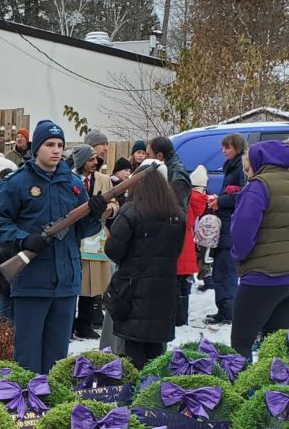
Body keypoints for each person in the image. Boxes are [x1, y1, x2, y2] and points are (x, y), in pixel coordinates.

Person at [0, 119, 106, 372]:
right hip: (31, 280)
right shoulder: (17, 182)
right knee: (26, 357)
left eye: (60, 145)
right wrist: (23, 238)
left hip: (66, 283)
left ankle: (52, 406)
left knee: (57, 359)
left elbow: (82, 231)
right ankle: (26, 406)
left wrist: (95, 214)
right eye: (49, 144)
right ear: (36, 147)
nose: (56, 150)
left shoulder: (72, 184)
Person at [104, 162, 185, 369]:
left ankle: (136, 395)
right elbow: (175, 252)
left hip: (133, 288)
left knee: (133, 350)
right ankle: (153, 392)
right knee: (155, 353)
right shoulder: (176, 215)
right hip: (164, 290)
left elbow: (114, 250)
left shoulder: (131, 211)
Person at [230, 141, 289, 358]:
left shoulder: (258, 187)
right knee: (277, 345)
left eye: (248, 167)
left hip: (261, 277)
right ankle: (277, 389)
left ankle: (242, 391)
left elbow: (242, 233)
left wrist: (240, 256)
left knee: (241, 343)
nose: (247, 172)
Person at [72, 145, 114, 339]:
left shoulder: (104, 180)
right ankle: (69, 323)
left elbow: (114, 201)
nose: (95, 163)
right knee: (74, 280)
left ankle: (85, 323)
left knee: (91, 282)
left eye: (96, 159)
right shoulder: (69, 180)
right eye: (90, 160)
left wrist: (109, 210)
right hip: (74, 235)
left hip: (96, 236)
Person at [205, 132, 246, 326]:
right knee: (219, 271)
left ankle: (228, 311)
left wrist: (220, 201)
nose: (224, 151)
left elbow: (242, 196)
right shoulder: (231, 167)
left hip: (230, 228)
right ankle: (223, 309)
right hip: (224, 227)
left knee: (226, 271)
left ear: (237, 148)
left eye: (227, 147)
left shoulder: (240, 169)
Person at [175, 164, 209, 326]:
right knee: (185, 285)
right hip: (188, 245)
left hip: (179, 244)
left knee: (175, 283)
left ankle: (176, 317)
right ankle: (183, 318)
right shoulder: (200, 200)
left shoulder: (185, 199)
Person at [147, 135, 191, 210]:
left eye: (148, 155)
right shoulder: (167, 169)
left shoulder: (177, 177)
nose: (146, 159)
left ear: (159, 156)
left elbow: (177, 211)